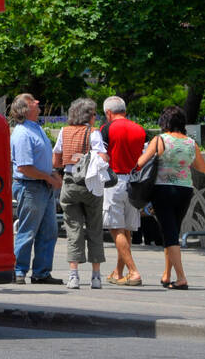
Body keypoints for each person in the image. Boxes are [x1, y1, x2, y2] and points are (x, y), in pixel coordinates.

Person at [135, 105, 205, 289]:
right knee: (172, 231)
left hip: (163, 190)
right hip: (184, 190)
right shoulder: (191, 143)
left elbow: (140, 163)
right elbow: (203, 168)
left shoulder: (160, 140)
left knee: (170, 234)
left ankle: (181, 278)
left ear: (164, 122)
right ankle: (167, 275)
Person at [8, 92, 64, 284]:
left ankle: (40, 272)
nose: (38, 102)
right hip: (31, 186)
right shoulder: (23, 133)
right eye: (32, 100)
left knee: (48, 231)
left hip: (41, 186)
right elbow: (24, 167)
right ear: (25, 108)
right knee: (28, 230)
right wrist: (49, 177)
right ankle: (18, 270)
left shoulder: (34, 129)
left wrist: (52, 174)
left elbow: (36, 163)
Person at [53, 97, 106, 288]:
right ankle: (96, 277)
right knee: (94, 228)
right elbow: (101, 156)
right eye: (94, 114)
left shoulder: (64, 131)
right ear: (88, 115)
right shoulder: (93, 133)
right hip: (90, 185)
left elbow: (56, 159)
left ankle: (73, 275)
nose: (95, 117)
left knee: (73, 228)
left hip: (69, 182)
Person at [99, 95, 148, 286]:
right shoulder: (140, 129)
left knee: (116, 228)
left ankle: (133, 271)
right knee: (126, 228)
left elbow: (102, 156)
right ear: (125, 111)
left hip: (114, 181)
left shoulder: (106, 129)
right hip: (135, 182)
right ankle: (118, 272)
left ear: (109, 113)